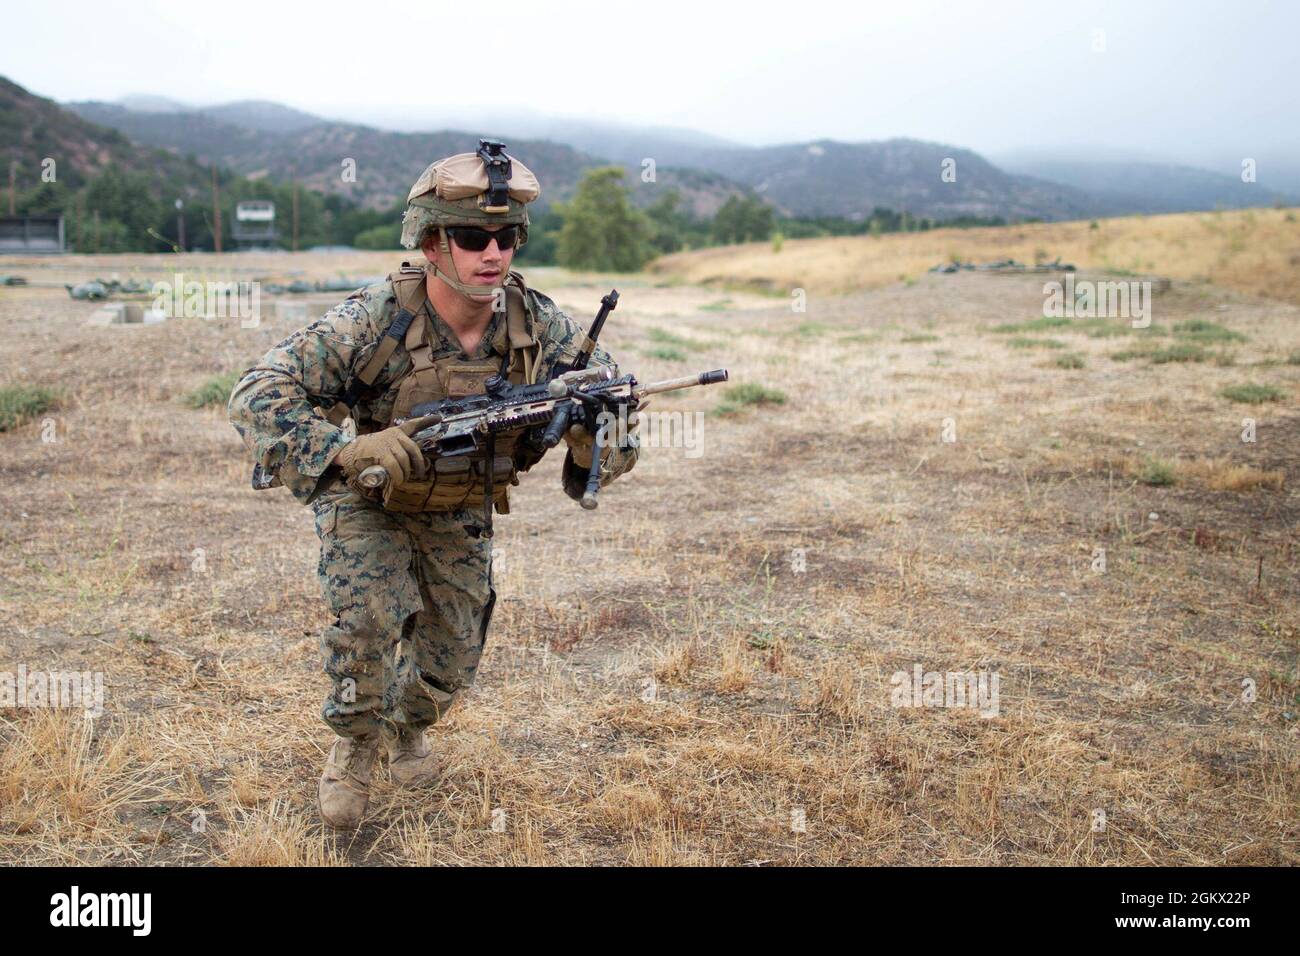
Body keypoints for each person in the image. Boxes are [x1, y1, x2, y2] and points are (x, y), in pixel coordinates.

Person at [228, 143, 638, 828]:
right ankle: (355, 745)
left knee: (451, 658)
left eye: (508, 238)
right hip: (371, 497)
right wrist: (346, 448)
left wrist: (594, 437)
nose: (494, 253)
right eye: (473, 237)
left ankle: (407, 725)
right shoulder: (374, 318)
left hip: (460, 505)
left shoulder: (540, 326)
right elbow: (257, 392)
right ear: (429, 242)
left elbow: (616, 428)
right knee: (366, 621)